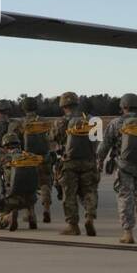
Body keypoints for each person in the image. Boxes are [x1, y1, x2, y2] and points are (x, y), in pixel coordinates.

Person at [96, 94, 137, 244]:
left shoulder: (116, 123)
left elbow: (104, 146)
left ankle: (128, 233)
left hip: (124, 166)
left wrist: (99, 160)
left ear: (123, 106)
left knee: (125, 198)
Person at [51, 90, 98, 236]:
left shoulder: (61, 122)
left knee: (69, 194)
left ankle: (73, 226)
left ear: (63, 105)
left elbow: (52, 137)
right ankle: (90, 217)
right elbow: (98, 141)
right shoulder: (92, 120)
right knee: (89, 191)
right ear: (77, 103)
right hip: (89, 161)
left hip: (69, 163)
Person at [0, 132, 40, 231]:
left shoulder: (5, 157)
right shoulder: (30, 156)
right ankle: (32, 217)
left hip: (12, 198)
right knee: (28, 199)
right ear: (18, 144)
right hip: (31, 198)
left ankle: (9, 216)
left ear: (5, 146)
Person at [19, 97, 54, 223]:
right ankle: (46, 209)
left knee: (28, 188)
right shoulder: (44, 121)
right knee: (45, 184)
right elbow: (52, 137)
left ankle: (31, 214)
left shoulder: (21, 123)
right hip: (44, 158)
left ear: (23, 108)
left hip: (27, 160)